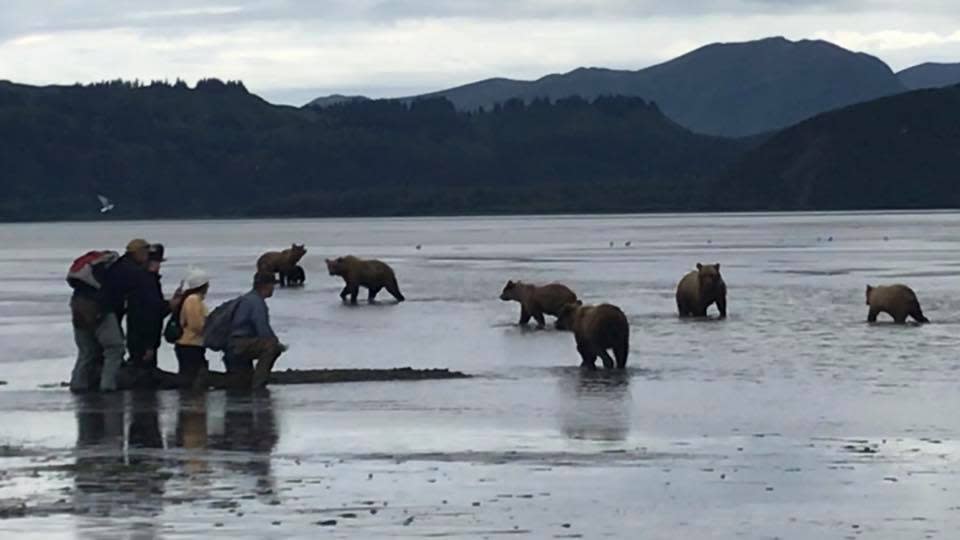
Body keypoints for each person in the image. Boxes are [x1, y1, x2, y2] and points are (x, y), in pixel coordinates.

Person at [70, 238, 151, 393]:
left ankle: (78, 386)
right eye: (146, 252)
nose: (148, 256)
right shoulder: (129, 270)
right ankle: (108, 388)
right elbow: (127, 298)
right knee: (115, 348)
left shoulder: (106, 269)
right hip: (101, 309)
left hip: (78, 306)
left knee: (87, 351)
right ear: (139, 253)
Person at [125, 243, 181, 387]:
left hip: (137, 335)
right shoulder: (148, 282)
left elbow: (152, 310)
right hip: (143, 338)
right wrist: (150, 345)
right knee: (144, 377)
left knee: (142, 374)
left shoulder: (140, 280)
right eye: (156, 262)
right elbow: (151, 314)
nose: (158, 266)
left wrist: (169, 305)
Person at [225, 272, 287, 389]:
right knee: (272, 347)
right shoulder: (257, 302)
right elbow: (262, 329)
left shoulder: (247, 298)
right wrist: (277, 343)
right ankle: (259, 384)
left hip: (232, 344)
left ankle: (206, 377)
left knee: (240, 382)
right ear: (266, 286)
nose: (273, 288)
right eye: (272, 285)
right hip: (240, 344)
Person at [175, 267, 211, 390]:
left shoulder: (193, 299)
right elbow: (196, 324)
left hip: (192, 344)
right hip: (189, 344)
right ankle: (191, 405)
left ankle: (189, 403)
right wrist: (210, 331)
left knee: (191, 379)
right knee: (192, 380)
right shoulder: (193, 300)